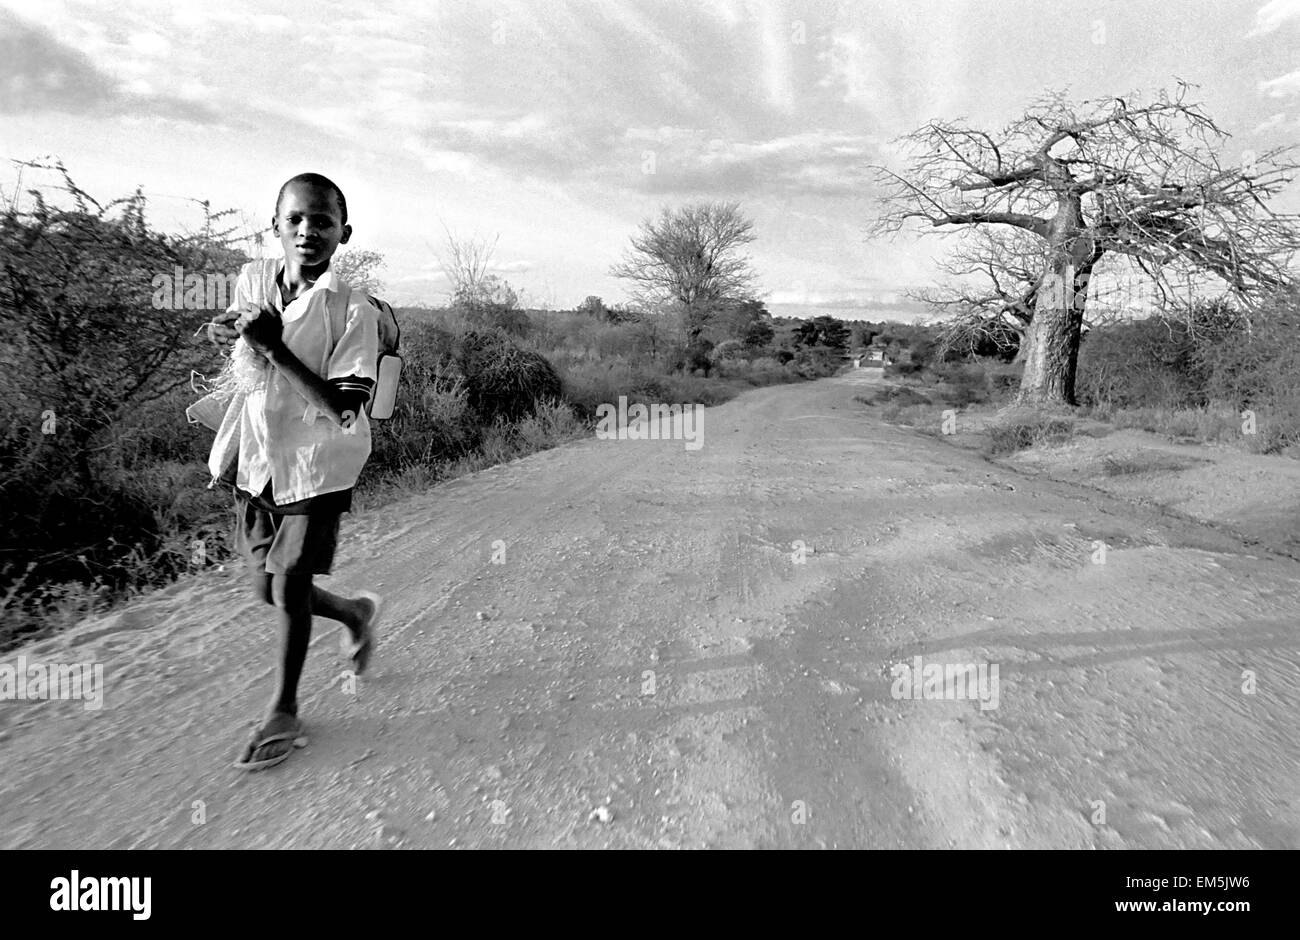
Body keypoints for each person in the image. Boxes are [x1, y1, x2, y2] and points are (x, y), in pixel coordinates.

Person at [206, 172, 384, 770]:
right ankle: (355, 612)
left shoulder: (352, 310)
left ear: (344, 234)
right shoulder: (255, 278)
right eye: (296, 220)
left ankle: (283, 708)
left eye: (323, 222)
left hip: (317, 466)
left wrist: (276, 348)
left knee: (287, 585)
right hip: (259, 458)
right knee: (268, 586)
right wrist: (232, 330)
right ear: (275, 226)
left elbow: (343, 407)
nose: (308, 231)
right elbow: (242, 333)